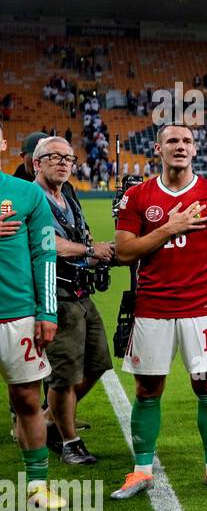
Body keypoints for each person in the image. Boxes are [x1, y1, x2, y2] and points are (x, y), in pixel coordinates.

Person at [111, 123, 207, 499]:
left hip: (202, 309)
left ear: (195, 149)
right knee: (148, 388)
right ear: (158, 148)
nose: (180, 146)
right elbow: (123, 252)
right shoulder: (138, 196)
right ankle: (141, 472)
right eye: (172, 141)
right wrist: (170, 227)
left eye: (186, 141)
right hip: (152, 308)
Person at [32, 136, 112, 464]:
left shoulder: (70, 195)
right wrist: (91, 251)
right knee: (63, 375)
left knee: (98, 363)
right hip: (56, 295)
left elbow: (82, 238)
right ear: (37, 163)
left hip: (81, 293)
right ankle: (69, 442)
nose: (64, 162)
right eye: (55, 157)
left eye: (69, 158)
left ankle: (49, 418)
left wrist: (104, 253)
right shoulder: (31, 197)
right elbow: (48, 242)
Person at [0, 125, 61, 509]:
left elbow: (45, 254)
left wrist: (48, 311)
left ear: (3, 143)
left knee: (27, 399)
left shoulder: (26, 194)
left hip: (19, 314)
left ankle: (37, 486)